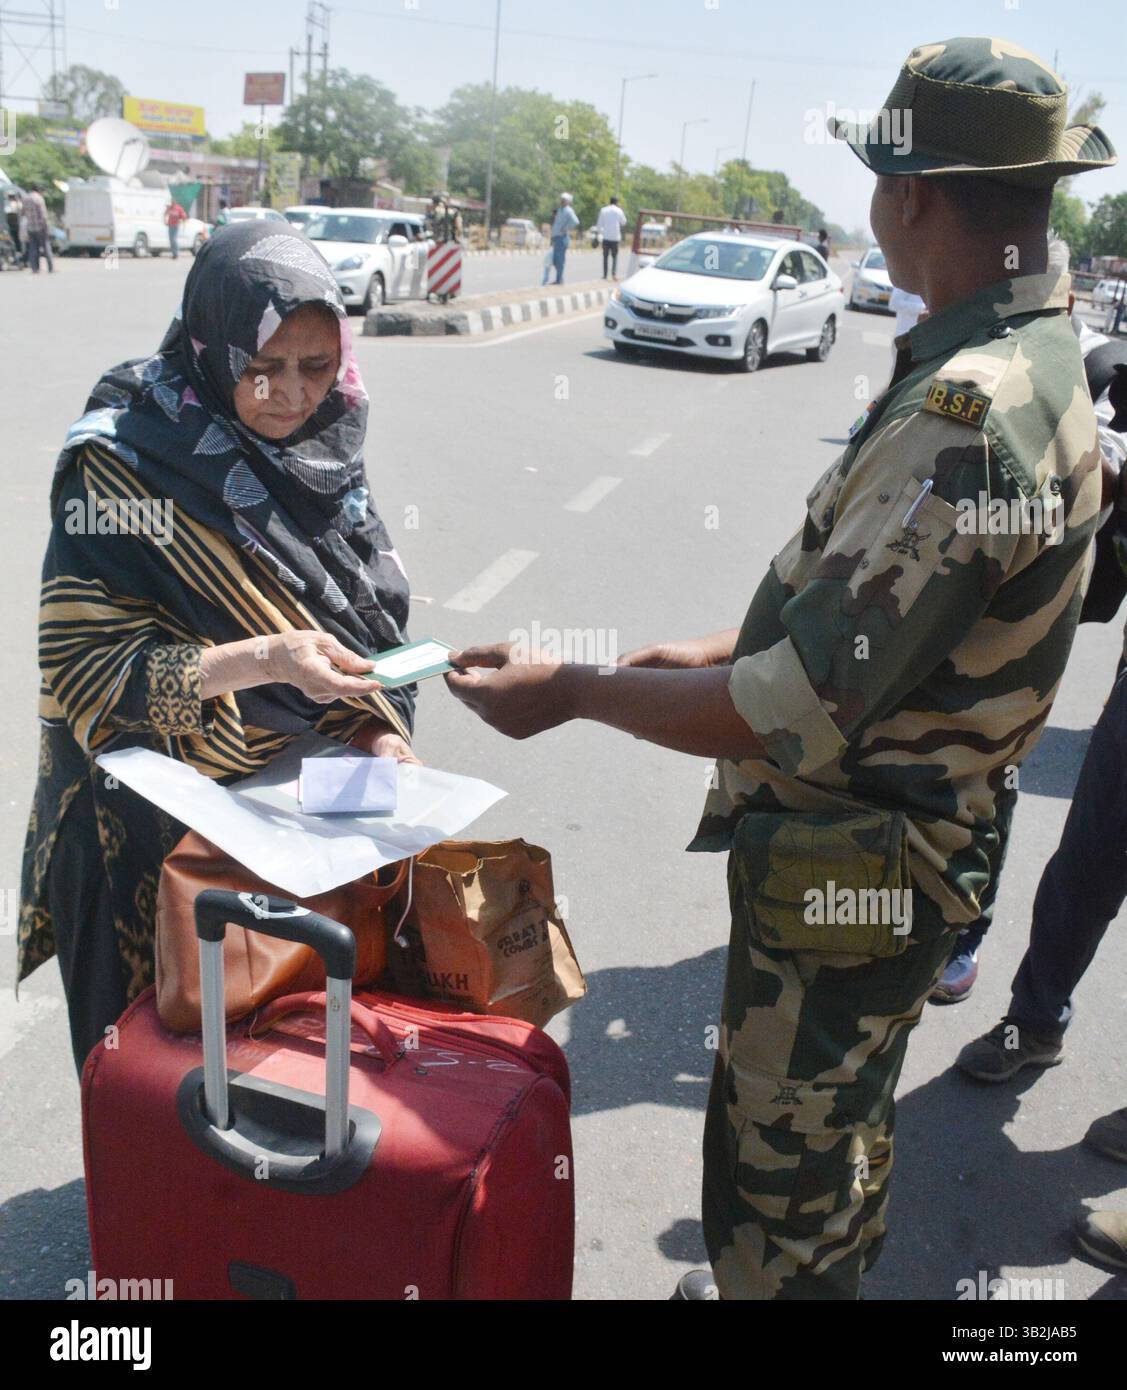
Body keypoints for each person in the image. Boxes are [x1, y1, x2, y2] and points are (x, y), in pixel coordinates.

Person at [442, 36, 1113, 1300]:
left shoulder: (965, 420)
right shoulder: (1031, 358)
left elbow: (781, 707)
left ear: (909, 196)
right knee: (838, 1135)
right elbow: (874, 619)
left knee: (785, 1176)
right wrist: (689, 652)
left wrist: (575, 693)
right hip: (907, 853)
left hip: (864, 872)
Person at [17, 221, 419, 1076]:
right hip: (140, 843)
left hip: (298, 830)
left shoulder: (326, 454)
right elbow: (85, 672)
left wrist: (380, 731)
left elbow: (371, 635)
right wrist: (265, 662)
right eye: (259, 366)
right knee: (151, 1085)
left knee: (287, 1076)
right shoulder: (127, 462)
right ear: (211, 344)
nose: (291, 394)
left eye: (316, 367)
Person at [933, 239, 1127, 1006]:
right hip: (941, 615)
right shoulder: (949, 350)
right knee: (1081, 860)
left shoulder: (1074, 367)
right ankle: (1027, 1011)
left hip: (1011, 641)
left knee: (987, 786)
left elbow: (1102, 466)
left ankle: (960, 941)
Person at [544, 193, 579, 286]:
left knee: (560, 260)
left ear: (568, 201)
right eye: (561, 199)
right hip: (557, 237)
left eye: (564, 199)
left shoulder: (568, 211)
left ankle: (559, 280)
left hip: (562, 237)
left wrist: (565, 228)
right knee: (555, 260)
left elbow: (575, 222)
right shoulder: (560, 210)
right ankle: (559, 279)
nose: (561, 201)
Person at [23, 183, 54, 274]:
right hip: (40, 227)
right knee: (46, 247)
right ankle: (50, 267)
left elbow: (23, 213)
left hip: (30, 227)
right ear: (39, 190)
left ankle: (34, 268)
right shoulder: (39, 199)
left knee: (33, 248)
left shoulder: (25, 198)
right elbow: (43, 215)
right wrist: (46, 227)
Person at [596, 195, 628, 280]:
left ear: (610, 201)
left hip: (606, 237)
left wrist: (601, 233)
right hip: (615, 237)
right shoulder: (619, 211)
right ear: (617, 202)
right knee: (615, 257)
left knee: (605, 257)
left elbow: (599, 225)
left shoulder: (603, 210)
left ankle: (605, 275)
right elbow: (624, 222)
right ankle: (613, 274)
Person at [5, 187, 23, 263]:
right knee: (14, 242)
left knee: (15, 242)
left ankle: (17, 257)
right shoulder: (12, 203)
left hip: (15, 226)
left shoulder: (14, 204)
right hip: (11, 226)